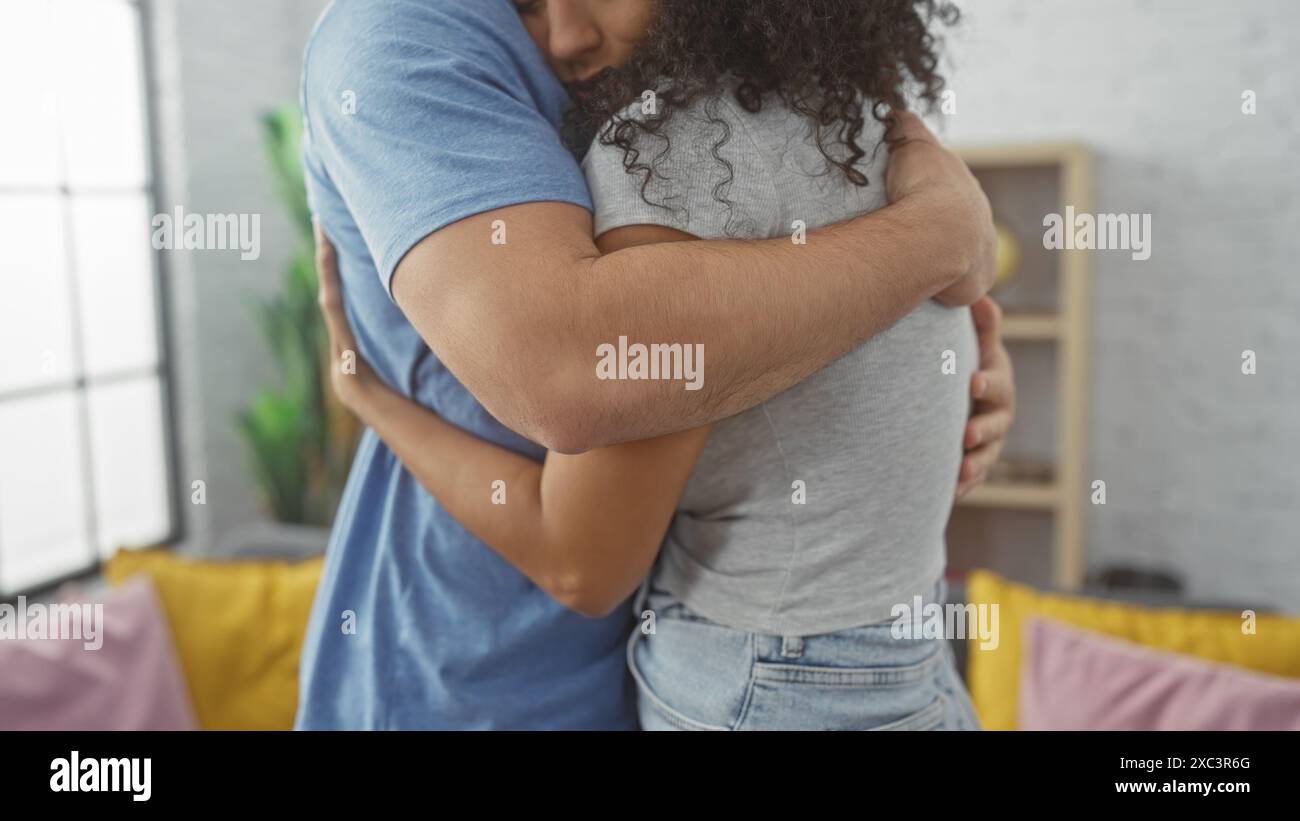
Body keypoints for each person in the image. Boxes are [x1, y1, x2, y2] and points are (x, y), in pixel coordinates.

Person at [297, 0, 1013, 729]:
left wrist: (370, 401)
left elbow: (581, 554)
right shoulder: (835, 116)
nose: (563, 39)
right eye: (531, 5)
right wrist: (942, 241)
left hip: (768, 671)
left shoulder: (679, 147)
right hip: (484, 673)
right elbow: (580, 376)